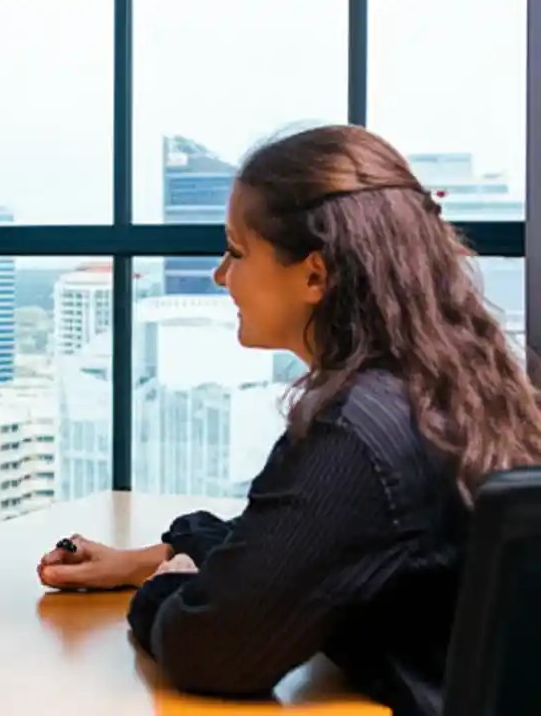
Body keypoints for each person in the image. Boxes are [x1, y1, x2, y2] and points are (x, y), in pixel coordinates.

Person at [37, 125, 541, 716]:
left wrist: (164, 585)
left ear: (314, 275)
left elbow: (211, 647)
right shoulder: (459, 387)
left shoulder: (356, 431)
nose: (221, 275)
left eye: (236, 251)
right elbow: (318, 547)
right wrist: (164, 551)